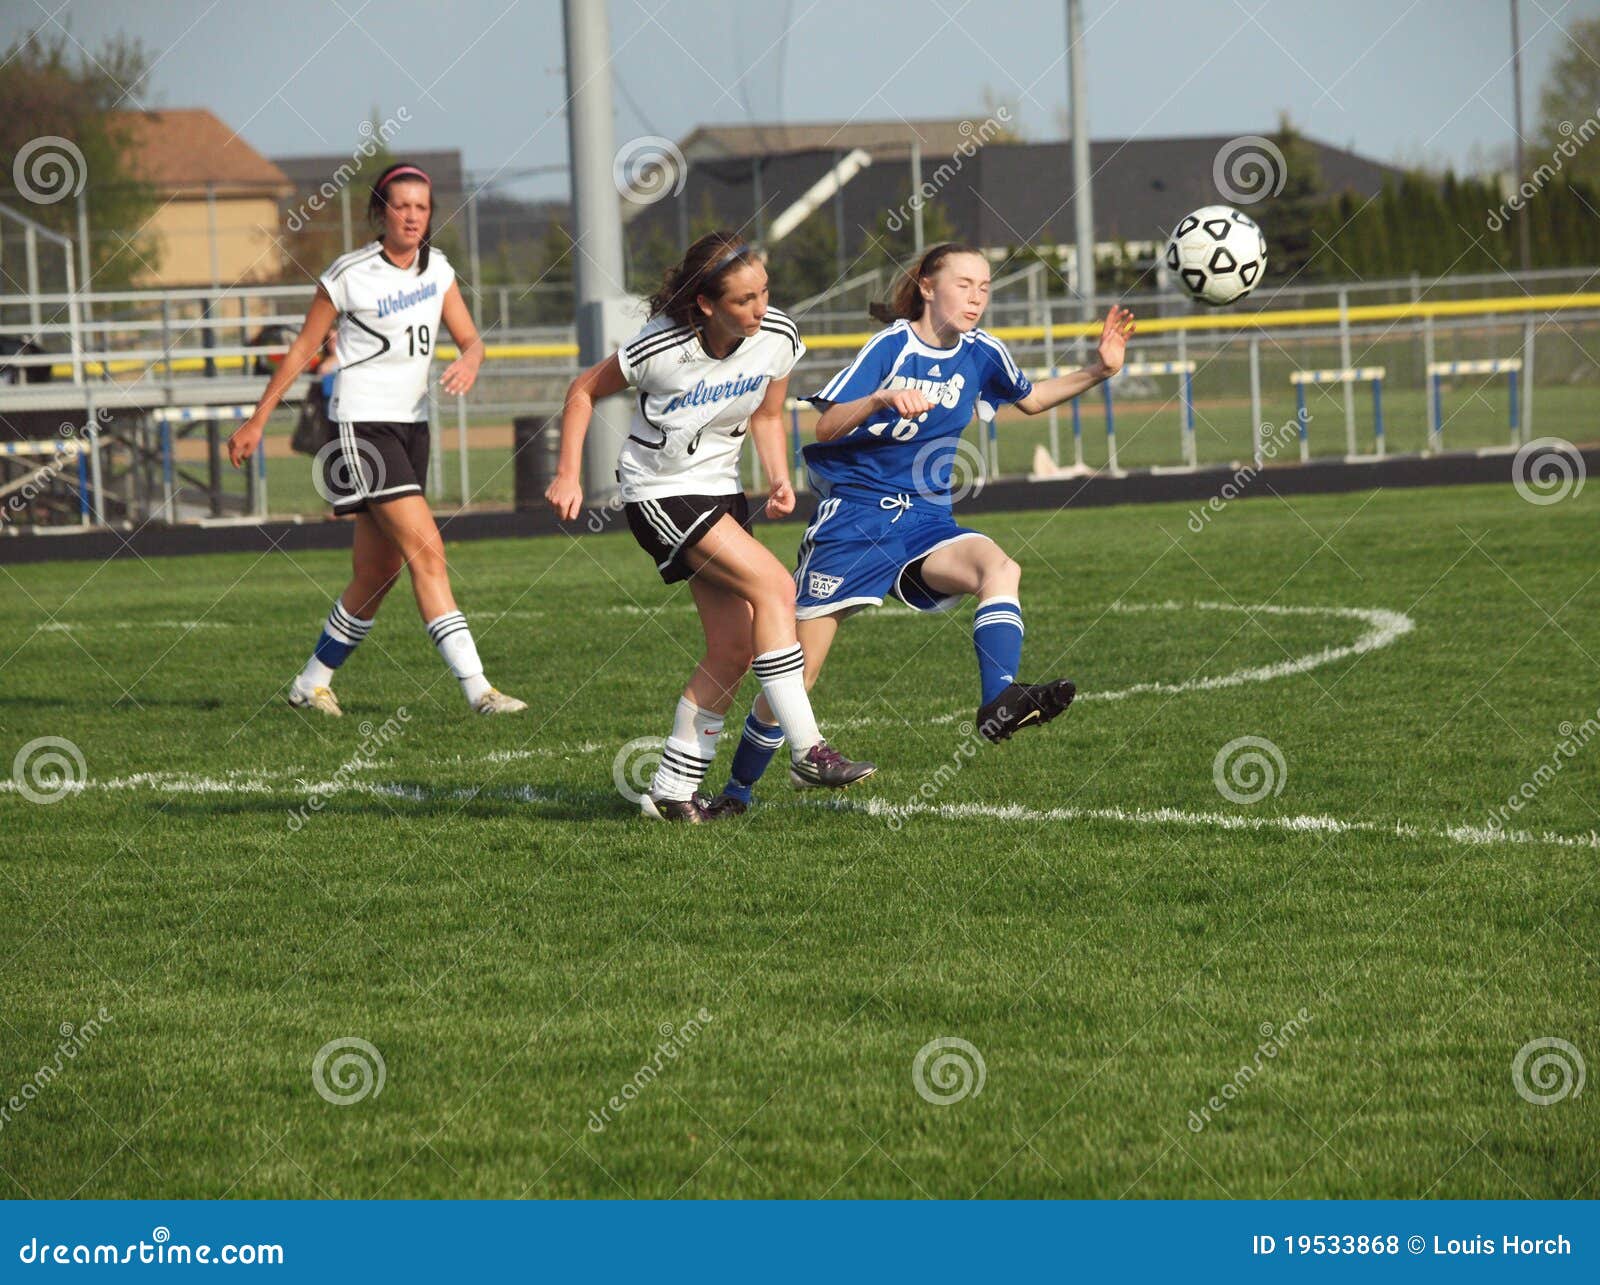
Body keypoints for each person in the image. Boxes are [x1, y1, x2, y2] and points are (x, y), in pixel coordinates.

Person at [711, 242, 1134, 814]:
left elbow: (1030, 401)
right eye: (964, 284)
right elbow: (829, 422)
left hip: (928, 518)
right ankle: (737, 791)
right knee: (797, 676)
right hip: (856, 521)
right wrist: (881, 397)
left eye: (985, 287)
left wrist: (1099, 370)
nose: (977, 297)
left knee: (999, 567)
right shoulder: (891, 346)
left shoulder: (983, 352)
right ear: (929, 287)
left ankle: (998, 701)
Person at [545, 231, 875, 823]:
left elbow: (770, 414)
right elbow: (582, 391)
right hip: (658, 493)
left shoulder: (777, 335)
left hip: (720, 491)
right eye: (744, 299)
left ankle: (672, 791)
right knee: (776, 588)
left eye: (764, 292)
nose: (760, 308)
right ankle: (807, 751)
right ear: (705, 304)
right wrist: (568, 473)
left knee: (734, 648)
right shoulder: (659, 347)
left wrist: (777, 476)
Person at [228, 161, 525, 717]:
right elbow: (301, 351)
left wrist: (471, 359)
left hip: (412, 427)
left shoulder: (438, 270)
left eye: (422, 207)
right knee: (428, 553)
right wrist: (257, 419)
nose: (413, 216)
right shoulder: (350, 272)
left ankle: (310, 683)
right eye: (401, 206)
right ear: (380, 213)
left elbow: (471, 340)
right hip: (360, 427)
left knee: (376, 573)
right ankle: (479, 691)